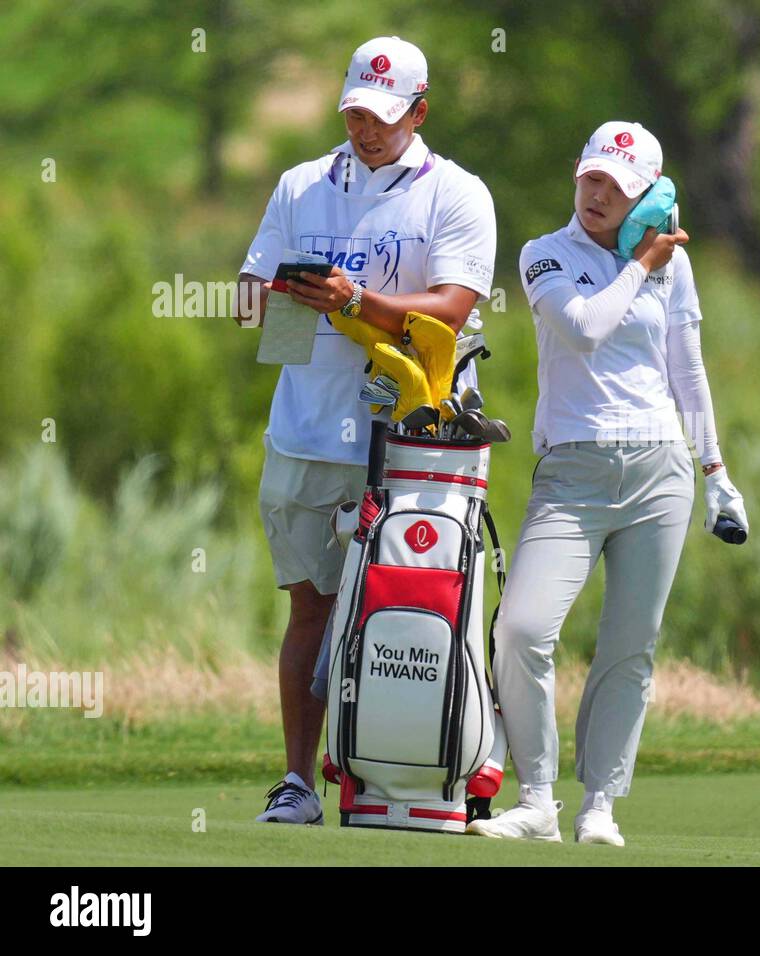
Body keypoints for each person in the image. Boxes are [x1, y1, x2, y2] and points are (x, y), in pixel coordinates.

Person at [234, 36, 496, 824]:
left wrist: (355, 303)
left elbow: (452, 307)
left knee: (431, 603)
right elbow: (249, 294)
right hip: (306, 431)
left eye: (383, 116)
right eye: (355, 113)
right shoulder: (300, 184)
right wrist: (279, 293)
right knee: (310, 611)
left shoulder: (456, 192)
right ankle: (297, 783)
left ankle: (439, 773)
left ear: (419, 110)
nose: (366, 129)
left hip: (416, 442)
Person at [467, 121, 748, 846]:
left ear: (646, 197)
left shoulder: (672, 268)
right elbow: (586, 327)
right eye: (590, 178)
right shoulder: (543, 256)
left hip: (660, 470)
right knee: (522, 629)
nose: (596, 195)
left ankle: (600, 806)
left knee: (630, 646)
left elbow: (687, 368)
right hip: (574, 470)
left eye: (616, 188)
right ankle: (536, 800)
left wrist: (717, 472)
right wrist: (641, 261)